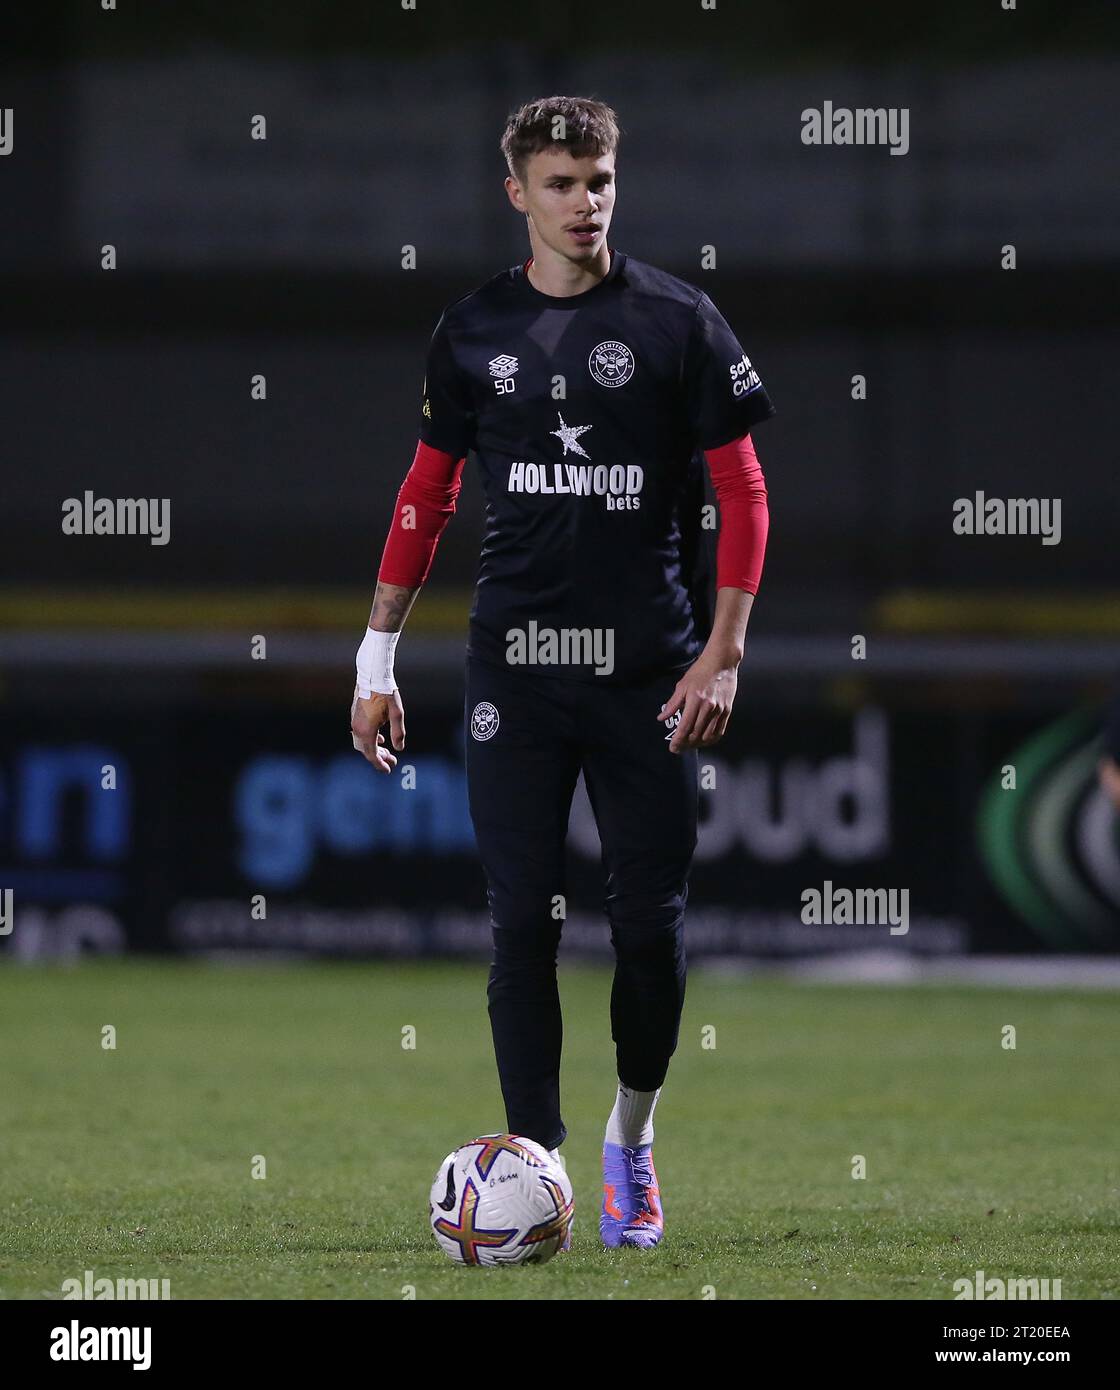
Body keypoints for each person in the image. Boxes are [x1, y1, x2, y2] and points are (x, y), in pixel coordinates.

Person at [351, 95, 774, 1249]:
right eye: (560, 184)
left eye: (598, 183)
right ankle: (532, 1171)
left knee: (647, 925)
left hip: (648, 676)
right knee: (519, 923)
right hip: (517, 674)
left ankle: (630, 1136)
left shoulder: (679, 321)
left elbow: (741, 491)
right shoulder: (471, 330)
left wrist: (721, 652)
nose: (584, 204)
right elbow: (426, 498)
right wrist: (374, 657)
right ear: (517, 194)